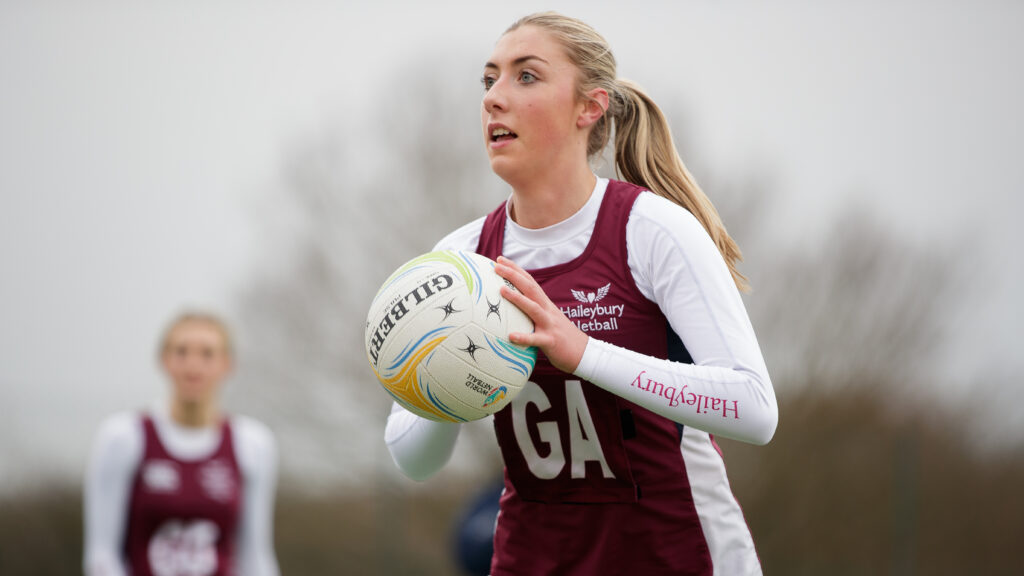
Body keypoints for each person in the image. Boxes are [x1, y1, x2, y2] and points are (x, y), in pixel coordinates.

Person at [385, 11, 779, 576]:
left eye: (526, 76)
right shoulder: (463, 259)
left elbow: (754, 409)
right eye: (489, 79)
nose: (494, 97)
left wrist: (585, 354)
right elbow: (413, 462)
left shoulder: (652, 230)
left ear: (589, 107)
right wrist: (442, 374)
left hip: (677, 559)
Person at [84, 311, 279, 576]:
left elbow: (256, 557)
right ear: (163, 360)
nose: (193, 365)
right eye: (181, 352)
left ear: (228, 364)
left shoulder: (253, 443)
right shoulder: (123, 437)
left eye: (207, 354)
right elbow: (101, 555)